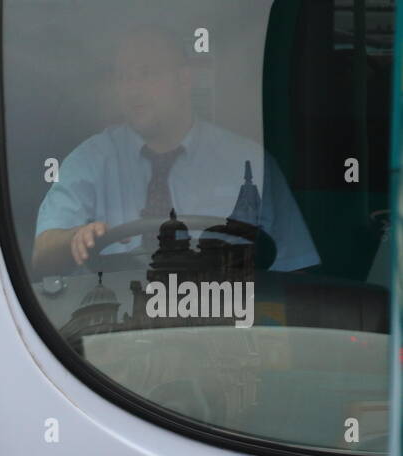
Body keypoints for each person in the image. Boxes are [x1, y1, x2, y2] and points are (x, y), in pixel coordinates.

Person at [32, 24, 319, 276]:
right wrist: (73, 238)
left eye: (147, 74)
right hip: (115, 327)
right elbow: (42, 255)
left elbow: (295, 273)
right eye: (123, 77)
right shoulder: (91, 160)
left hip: (224, 326)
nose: (133, 89)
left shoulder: (250, 163)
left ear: (184, 79)